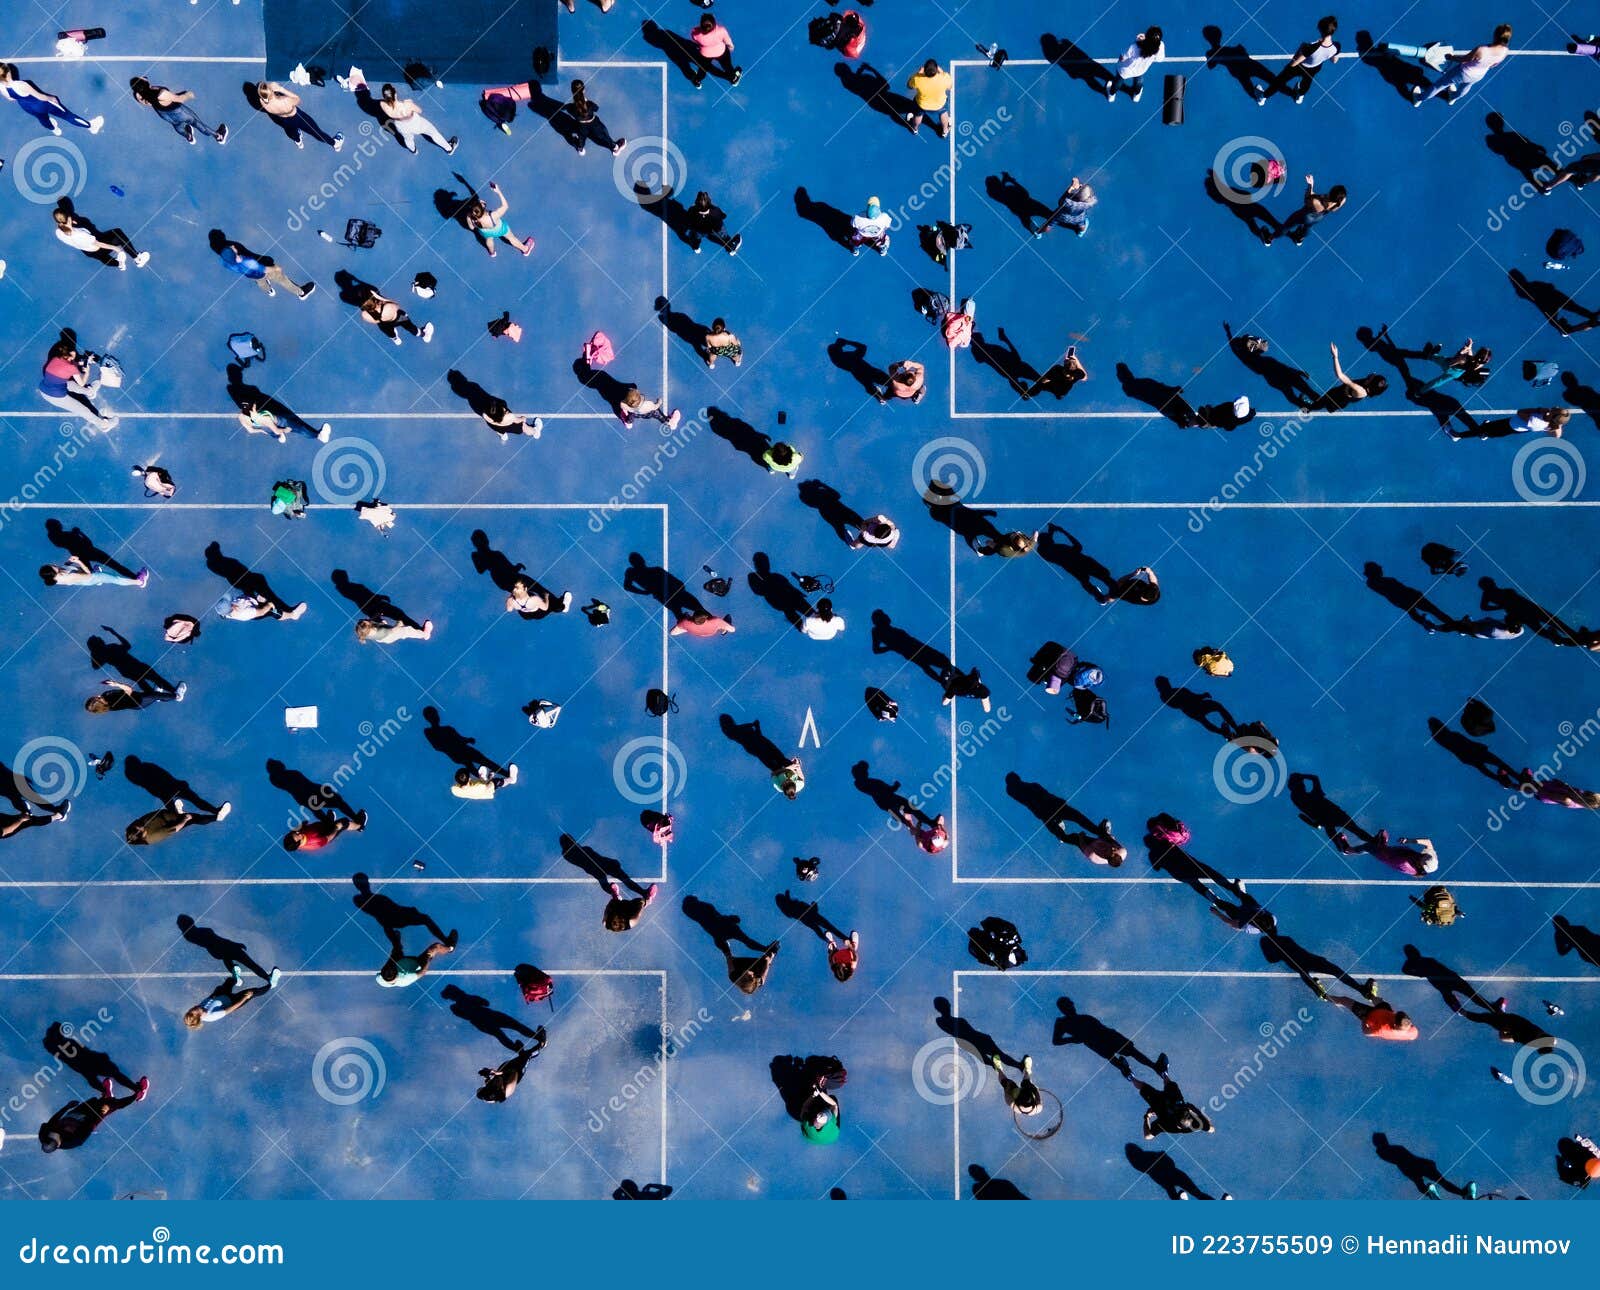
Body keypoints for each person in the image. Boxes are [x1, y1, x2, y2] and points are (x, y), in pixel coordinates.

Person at [1412, 24, 1512, 105]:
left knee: (1439, 85)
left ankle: (1419, 98)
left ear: (1495, 35)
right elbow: (1493, 65)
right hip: (1479, 75)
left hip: (1462, 72)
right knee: (1466, 87)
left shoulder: (1481, 50)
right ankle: (1453, 97)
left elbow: (1464, 59)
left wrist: (1450, 57)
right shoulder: (1505, 51)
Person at [39, 1079, 148, 1152]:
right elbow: (91, 1125)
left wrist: (67, 1107)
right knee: (112, 1105)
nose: (64, 1129)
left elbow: (53, 1120)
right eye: (65, 1131)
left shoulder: (45, 1133)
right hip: (88, 1120)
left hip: (74, 1114)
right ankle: (139, 1095)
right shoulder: (75, 1141)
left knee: (95, 1102)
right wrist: (101, 1112)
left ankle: (107, 1095)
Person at [1256, 15, 1340, 104]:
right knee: (1307, 82)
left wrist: (1301, 48)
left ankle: (1263, 97)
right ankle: (1299, 96)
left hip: (1299, 67)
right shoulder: (1337, 46)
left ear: (1320, 30)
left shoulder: (1312, 47)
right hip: (1315, 68)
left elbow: (1294, 63)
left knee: (1279, 81)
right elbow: (1334, 60)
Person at [0, 63, 103, 134]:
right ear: (8, 73)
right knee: (67, 115)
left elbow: (10, 98)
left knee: (42, 118)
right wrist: (52, 98)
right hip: (41, 104)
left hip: (26, 106)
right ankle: (91, 126)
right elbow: (41, 97)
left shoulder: (1, 87)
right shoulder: (20, 84)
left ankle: (54, 129)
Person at [38, 339, 118, 430]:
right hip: (54, 396)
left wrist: (87, 361)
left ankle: (90, 392)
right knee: (84, 410)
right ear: (68, 356)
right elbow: (81, 383)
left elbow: (73, 363)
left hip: (49, 386)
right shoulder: (71, 368)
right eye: (72, 356)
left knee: (71, 384)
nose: (74, 357)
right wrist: (87, 372)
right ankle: (104, 425)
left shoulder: (55, 359)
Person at [214, 232, 316, 299]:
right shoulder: (248, 261)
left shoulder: (225, 263)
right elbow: (264, 269)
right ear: (236, 256)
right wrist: (276, 268)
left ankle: (269, 291)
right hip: (260, 271)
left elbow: (232, 259)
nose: (232, 246)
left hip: (250, 275)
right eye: (231, 249)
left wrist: (233, 252)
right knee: (282, 279)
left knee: (260, 282)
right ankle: (301, 292)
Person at [129, 77, 227, 144]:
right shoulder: (161, 93)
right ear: (145, 83)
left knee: (177, 125)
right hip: (178, 112)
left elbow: (149, 103)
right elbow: (179, 99)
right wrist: (188, 95)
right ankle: (218, 136)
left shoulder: (138, 95)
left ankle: (189, 136)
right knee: (196, 122)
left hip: (163, 114)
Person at [183, 962, 281, 1029]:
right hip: (233, 1001)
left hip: (221, 996)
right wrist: (245, 998)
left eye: (190, 1009)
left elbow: (210, 999)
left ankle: (237, 980)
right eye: (193, 1010)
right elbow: (232, 1008)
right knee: (252, 992)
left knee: (229, 981)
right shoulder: (211, 1015)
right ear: (198, 1015)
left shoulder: (199, 1008)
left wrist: (216, 992)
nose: (194, 1006)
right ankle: (272, 983)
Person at [254, 80, 343, 149]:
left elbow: (270, 100)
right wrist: (281, 89)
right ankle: (335, 144)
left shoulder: (263, 103)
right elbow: (297, 100)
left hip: (284, 120)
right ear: (271, 90)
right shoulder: (284, 100)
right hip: (298, 117)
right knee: (316, 132)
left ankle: (298, 141)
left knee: (291, 131)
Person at [52, 208, 151, 271]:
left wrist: (70, 222)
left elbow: (64, 226)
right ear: (69, 219)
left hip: (88, 252)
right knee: (117, 233)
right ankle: (138, 259)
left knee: (103, 258)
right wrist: (116, 249)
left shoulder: (58, 232)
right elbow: (98, 243)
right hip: (98, 247)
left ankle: (120, 264)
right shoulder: (80, 234)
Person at [373, 81, 456, 153]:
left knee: (408, 139)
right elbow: (420, 110)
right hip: (416, 124)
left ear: (385, 97)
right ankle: (449, 148)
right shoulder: (407, 105)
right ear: (395, 94)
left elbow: (387, 103)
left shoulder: (383, 105)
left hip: (401, 126)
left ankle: (413, 150)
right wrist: (409, 102)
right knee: (433, 133)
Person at [1324, 980, 1421, 1040]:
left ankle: (1324, 996)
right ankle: (1369, 994)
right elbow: (1412, 1037)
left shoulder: (1382, 1029)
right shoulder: (1413, 1032)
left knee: (1344, 1000)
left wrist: (1364, 1020)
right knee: (1379, 1000)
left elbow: (1366, 1032)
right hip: (1385, 1012)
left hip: (1369, 1015)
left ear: (1395, 1024)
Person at [1308, 342, 1387, 411]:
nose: (1374, 374)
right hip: (1339, 392)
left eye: (1374, 377)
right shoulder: (1368, 383)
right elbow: (1373, 378)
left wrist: (1335, 356)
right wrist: (1372, 377)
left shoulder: (1360, 390)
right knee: (1321, 400)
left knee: (1321, 403)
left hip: (1336, 399)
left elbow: (1340, 375)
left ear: (1371, 382)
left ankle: (1308, 408)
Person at [476, 1029, 547, 1102]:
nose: (493, 1084)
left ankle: (521, 1051)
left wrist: (486, 1073)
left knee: (522, 1056)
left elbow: (488, 1079)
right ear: (500, 1088)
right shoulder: (508, 1089)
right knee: (527, 1056)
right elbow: (513, 1072)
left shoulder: (490, 1088)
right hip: (517, 1070)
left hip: (505, 1069)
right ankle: (542, 1044)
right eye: (495, 1085)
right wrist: (497, 1073)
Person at [467, 182, 535, 258]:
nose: (481, 201)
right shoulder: (493, 215)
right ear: (482, 208)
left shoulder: (470, 217)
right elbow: (505, 206)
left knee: (489, 239)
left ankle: (492, 252)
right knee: (511, 238)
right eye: (480, 203)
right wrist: (498, 192)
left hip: (485, 232)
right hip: (500, 229)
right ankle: (525, 249)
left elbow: (472, 228)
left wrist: (471, 215)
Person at [1275, 175, 1346, 246]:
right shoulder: (1338, 203)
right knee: (1308, 227)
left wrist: (1310, 185)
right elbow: (1315, 198)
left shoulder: (1318, 203)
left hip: (1305, 216)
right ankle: (1299, 239)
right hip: (1318, 218)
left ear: (1331, 191)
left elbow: (1307, 200)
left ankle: (1269, 238)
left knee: (1287, 226)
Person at [125, 799, 232, 845]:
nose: (138, 825)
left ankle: (179, 812)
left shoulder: (135, 828)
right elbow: (174, 829)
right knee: (195, 818)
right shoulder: (154, 836)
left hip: (167, 814)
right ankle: (218, 817)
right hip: (173, 822)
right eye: (138, 828)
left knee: (179, 812)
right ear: (141, 834)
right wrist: (185, 819)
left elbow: (139, 822)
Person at [1334, 829, 1439, 876]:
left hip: (1387, 856)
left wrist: (1380, 845)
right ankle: (1379, 843)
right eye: (1425, 854)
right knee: (1382, 833)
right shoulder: (1430, 858)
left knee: (1369, 847)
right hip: (1398, 852)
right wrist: (1409, 840)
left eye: (1424, 857)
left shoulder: (1405, 864)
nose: (1424, 854)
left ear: (1422, 864)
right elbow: (1428, 842)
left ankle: (1347, 850)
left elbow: (1385, 854)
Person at [561, 79, 624, 155]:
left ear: (572, 91)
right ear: (583, 90)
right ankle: (615, 147)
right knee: (604, 136)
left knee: (582, 138)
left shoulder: (570, 108)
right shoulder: (589, 104)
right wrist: (586, 101)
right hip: (594, 125)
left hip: (582, 127)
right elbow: (596, 108)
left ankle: (580, 148)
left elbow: (568, 109)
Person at [377, 929, 457, 987]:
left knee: (396, 950)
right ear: (396, 975)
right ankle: (450, 948)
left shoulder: (380, 978)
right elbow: (422, 972)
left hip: (400, 960)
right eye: (392, 969)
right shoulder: (406, 978)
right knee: (436, 947)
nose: (390, 968)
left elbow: (390, 963)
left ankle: (397, 944)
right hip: (416, 963)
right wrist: (429, 957)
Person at [237, 395, 331, 444]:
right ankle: (319, 436)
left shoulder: (241, 417)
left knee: (271, 433)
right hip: (279, 422)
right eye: (252, 404)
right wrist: (285, 430)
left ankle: (280, 438)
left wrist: (261, 430)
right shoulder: (263, 418)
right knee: (300, 428)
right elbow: (277, 430)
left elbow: (250, 430)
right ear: (252, 408)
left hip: (266, 428)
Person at [359, 286, 433, 346]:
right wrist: (379, 298)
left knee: (387, 330)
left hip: (384, 324)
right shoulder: (388, 307)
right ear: (375, 300)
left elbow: (376, 321)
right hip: (399, 318)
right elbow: (396, 305)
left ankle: (395, 339)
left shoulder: (364, 315)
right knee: (409, 326)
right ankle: (424, 335)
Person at [1107, 27, 1165, 102]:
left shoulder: (1134, 46)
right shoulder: (1160, 46)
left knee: (1118, 82)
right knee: (1139, 82)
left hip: (1125, 70)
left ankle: (1111, 95)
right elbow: (1160, 59)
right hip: (1141, 70)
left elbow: (1122, 57)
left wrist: (1138, 40)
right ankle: (1136, 96)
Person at [689, 13, 742, 86]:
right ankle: (733, 78)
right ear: (714, 23)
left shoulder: (695, 33)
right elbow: (728, 41)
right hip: (721, 52)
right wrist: (731, 47)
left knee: (703, 68)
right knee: (727, 66)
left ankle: (697, 80)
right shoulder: (721, 30)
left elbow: (695, 40)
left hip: (705, 54)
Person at [283, 807, 369, 852]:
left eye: (295, 833)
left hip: (318, 828)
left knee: (323, 821)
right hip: (327, 834)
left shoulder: (294, 837)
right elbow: (328, 838)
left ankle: (329, 821)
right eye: (298, 835)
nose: (297, 832)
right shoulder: (315, 842)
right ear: (298, 842)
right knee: (343, 823)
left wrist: (302, 825)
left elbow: (295, 832)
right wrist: (336, 827)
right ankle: (359, 826)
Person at [904, 58, 953, 136]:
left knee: (918, 115)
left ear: (924, 70)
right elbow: (950, 87)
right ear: (937, 69)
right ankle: (945, 131)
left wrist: (918, 73)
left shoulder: (917, 78)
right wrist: (942, 73)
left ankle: (915, 129)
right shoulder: (944, 77)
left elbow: (909, 86)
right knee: (943, 113)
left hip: (922, 105)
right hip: (940, 104)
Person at [85, 676, 185, 713]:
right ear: (100, 704)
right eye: (97, 698)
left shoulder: (105, 695)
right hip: (140, 701)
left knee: (151, 693)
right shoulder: (114, 705)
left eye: (95, 697)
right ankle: (177, 696)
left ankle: (155, 696)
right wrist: (116, 684)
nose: (98, 695)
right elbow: (129, 690)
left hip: (136, 697)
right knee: (154, 695)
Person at [40, 556, 148, 588]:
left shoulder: (54, 578)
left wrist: (69, 562)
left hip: (83, 579)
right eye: (53, 566)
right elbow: (88, 574)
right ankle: (139, 582)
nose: (54, 564)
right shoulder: (69, 576)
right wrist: (78, 561)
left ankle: (98, 582)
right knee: (116, 579)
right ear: (54, 572)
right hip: (92, 577)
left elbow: (64, 566)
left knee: (91, 571)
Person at [617, 385, 682, 429]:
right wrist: (659, 402)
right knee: (658, 414)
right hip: (649, 413)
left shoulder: (627, 407)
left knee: (630, 417)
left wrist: (626, 405)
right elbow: (655, 407)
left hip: (635, 413)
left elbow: (622, 404)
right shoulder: (648, 404)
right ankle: (669, 423)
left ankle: (628, 423)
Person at [1, 799, 70, 840]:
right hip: (7, 827)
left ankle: (26, 812)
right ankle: (59, 815)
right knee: (30, 821)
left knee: (15, 798)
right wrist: (20, 820)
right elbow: (8, 831)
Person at [800, 1077, 841, 1143]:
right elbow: (834, 1105)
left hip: (830, 1135)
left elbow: (804, 1106)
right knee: (832, 1100)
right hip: (831, 1136)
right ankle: (822, 1100)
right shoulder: (832, 1121)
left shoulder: (807, 1123)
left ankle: (820, 1102)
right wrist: (820, 1092)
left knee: (832, 1099)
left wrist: (813, 1095)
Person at [506, 578, 572, 616]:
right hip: (538, 613)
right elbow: (545, 608)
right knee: (552, 604)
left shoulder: (510, 600)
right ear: (525, 589)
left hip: (526, 615)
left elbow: (509, 610)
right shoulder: (534, 599)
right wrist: (546, 597)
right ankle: (564, 607)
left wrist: (510, 598)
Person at [451, 764, 519, 800]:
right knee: (497, 782)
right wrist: (490, 777)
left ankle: (483, 777)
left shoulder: (454, 789)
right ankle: (512, 779)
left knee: (476, 783)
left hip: (475, 790)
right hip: (486, 791)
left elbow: (467, 784)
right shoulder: (480, 787)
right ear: (469, 779)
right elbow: (488, 785)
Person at [356, 616, 433, 644]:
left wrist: (382, 623)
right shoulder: (382, 631)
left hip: (383, 638)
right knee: (407, 630)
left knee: (380, 623)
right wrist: (399, 623)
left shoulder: (364, 632)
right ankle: (425, 634)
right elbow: (395, 630)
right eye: (366, 621)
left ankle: (383, 623)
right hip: (391, 635)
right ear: (370, 627)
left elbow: (365, 626)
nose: (366, 619)